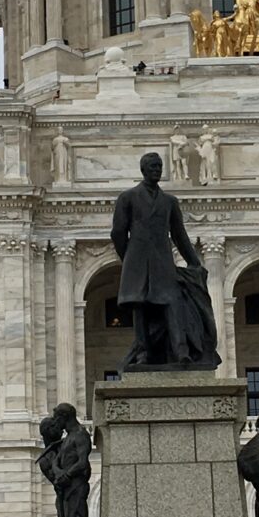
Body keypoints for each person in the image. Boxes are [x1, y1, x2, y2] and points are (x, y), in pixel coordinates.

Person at [109, 151, 219, 369]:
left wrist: (194, 262)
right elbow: (118, 232)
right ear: (143, 170)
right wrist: (128, 257)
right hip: (137, 262)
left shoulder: (169, 201)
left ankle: (181, 352)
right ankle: (142, 354)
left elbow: (179, 235)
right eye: (153, 167)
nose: (157, 170)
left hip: (162, 262)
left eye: (159, 167)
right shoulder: (128, 197)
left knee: (173, 303)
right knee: (140, 309)